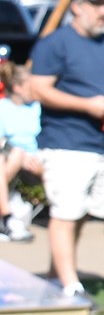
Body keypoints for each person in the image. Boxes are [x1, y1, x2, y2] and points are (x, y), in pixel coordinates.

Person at [28, 0, 104, 305]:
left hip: (98, 144)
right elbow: (38, 89)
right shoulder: (54, 44)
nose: (103, 11)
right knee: (65, 212)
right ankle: (71, 285)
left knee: (83, 213)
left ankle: (54, 274)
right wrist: (87, 105)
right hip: (64, 141)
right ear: (77, 7)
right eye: (97, 4)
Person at [0, 48, 45, 242]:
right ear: (18, 88)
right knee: (11, 154)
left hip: (37, 159)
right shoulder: (3, 108)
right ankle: (7, 216)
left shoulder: (38, 107)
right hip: (11, 159)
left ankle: (6, 218)